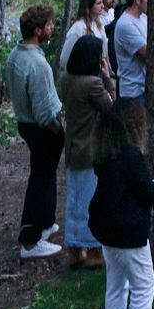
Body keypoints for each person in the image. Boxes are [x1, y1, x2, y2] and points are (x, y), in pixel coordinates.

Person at [89, 101, 154, 309]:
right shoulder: (131, 156)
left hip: (105, 229)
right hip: (128, 232)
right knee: (144, 286)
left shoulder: (104, 154)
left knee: (116, 284)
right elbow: (145, 194)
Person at [7, 3, 65, 260]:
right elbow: (44, 112)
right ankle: (29, 242)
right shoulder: (36, 65)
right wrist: (58, 129)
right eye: (50, 25)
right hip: (41, 129)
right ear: (39, 30)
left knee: (45, 176)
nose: (53, 28)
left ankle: (45, 223)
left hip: (26, 123)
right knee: (39, 181)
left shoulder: (15, 55)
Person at [59, 34, 114, 270]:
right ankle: (92, 250)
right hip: (89, 148)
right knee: (90, 201)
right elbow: (110, 106)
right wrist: (107, 78)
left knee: (74, 200)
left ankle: (74, 250)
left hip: (72, 146)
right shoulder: (92, 84)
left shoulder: (67, 80)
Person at [110, 0, 151, 106]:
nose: (150, 2)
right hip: (132, 92)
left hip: (144, 88)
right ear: (138, 0)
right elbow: (147, 53)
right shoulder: (125, 24)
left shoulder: (144, 18)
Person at [60, 0, 104, 71]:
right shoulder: (78, 28)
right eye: (98, 3)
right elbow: (64, 59)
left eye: (102, 3)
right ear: (89, 7)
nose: (102, 6)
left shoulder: (98, 26)